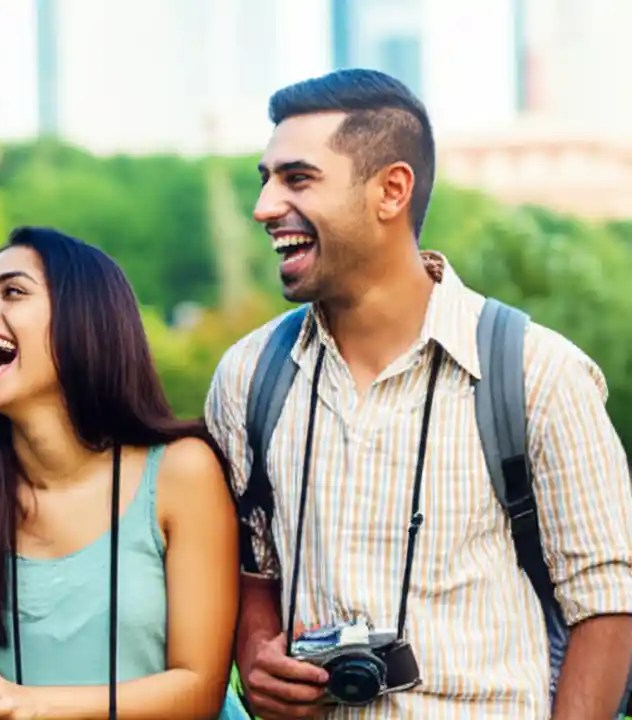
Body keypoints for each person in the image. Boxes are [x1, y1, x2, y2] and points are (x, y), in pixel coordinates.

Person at [205, 68, 632, 719]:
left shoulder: (537, 373)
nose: (264, 206)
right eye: (264, 179)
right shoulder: (247, 376)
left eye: (297, 178)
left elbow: (607, 604)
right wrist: (257, 652)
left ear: (391, 190)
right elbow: (252, 564)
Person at [0, 226, 250, 720]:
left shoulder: (181, 471)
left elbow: (198, 691)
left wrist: (33, 704)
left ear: (85, 320)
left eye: (14, 292)